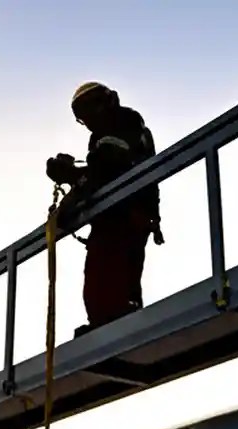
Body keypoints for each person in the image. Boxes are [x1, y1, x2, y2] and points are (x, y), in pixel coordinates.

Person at [46, 81, 162, 337]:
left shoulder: (124, 122)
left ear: (107, 102)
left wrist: (72, 178)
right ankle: (106, 320)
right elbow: (99, 174)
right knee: (102, 278)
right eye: (82, 115)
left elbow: (107, 168)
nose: (88, 119)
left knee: (112, 274)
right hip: (116, 215)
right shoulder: (106, 133)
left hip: (127, 212)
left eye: (89, 109)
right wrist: (73, 182)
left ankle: (116, 320)